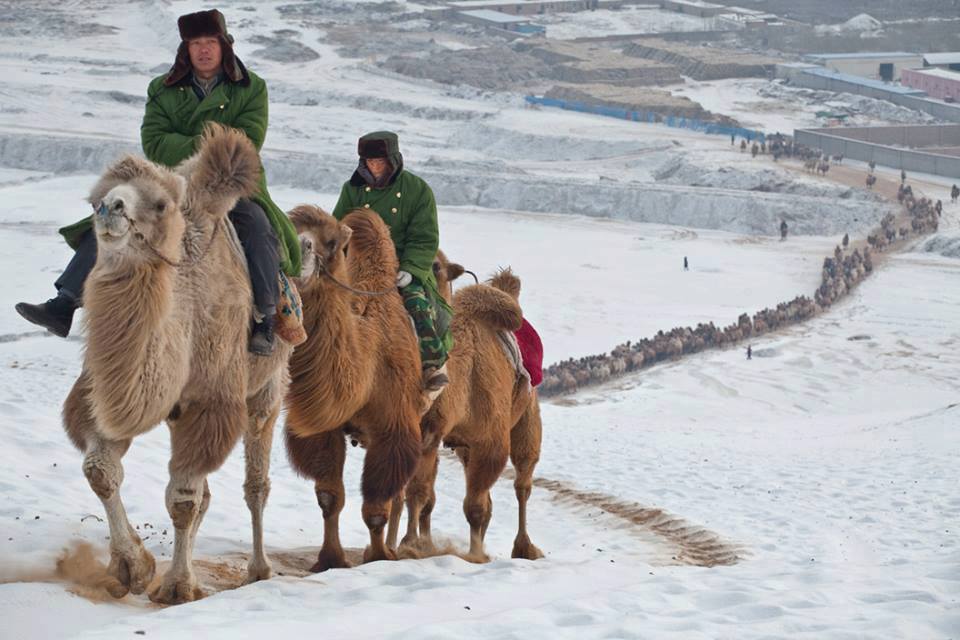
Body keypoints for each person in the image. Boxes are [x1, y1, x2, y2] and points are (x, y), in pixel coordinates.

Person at [14, 10, 300, 356]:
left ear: (225, 45)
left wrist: (196, 142)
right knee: (114, 216)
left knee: (258, 227)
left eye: (211, 42)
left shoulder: (251, 88)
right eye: (196, 44)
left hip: (230, 181)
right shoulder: (162, 88)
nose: (204, 50)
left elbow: (247, 140)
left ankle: (265, 318)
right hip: (171, 181)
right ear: (186, 49)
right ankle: (64, 303)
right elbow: (154, 141)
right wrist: (213, 141)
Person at [331, 131, 452, 392]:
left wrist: (410, 270)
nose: (374, 167)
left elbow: (424, 238)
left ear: (393, 160)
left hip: (401, 267)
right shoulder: (352, 190)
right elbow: (338, 230)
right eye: (369, 162)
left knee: (418, 305)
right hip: (358, 267)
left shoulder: (417, 191)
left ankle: (432, 364)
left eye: (380, 162)